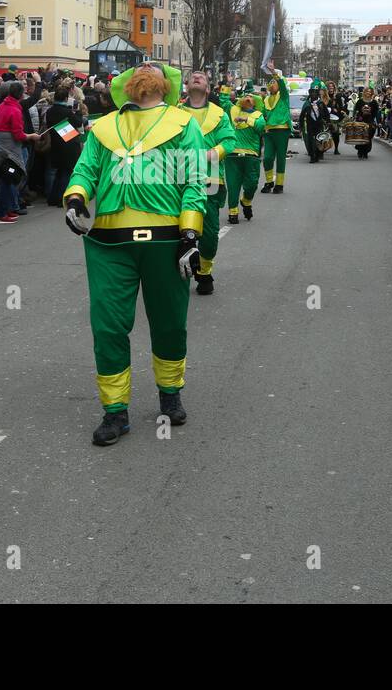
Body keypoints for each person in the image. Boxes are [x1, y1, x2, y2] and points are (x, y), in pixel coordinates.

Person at [62, 63, 207, 446]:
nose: (145, 68)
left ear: (166, 84)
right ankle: (115, 411)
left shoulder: (183, 124)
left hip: (164, 240)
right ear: (124, 85)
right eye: (138, 66)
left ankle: (170, 393)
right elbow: (86, 168)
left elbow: (194, 182)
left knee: (169, 323)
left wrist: (190, 234)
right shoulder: (105, 127)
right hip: (110, 244)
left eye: (153, 67)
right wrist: (75, 197)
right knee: (108, 326)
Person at [179, 69, 235, 296]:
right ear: (186, 85)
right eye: (193, 76)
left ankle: (204, 270)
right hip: (180, 176)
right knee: (177, 226)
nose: (197, 76)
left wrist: (212, 154)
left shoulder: (219, 114)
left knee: (209, 233)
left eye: (202, 77)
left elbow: (230, 140)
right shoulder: (176, 112)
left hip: (211, 177)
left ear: (208, 88)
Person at [0, 81, 39, 224]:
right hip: (8, 150)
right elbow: (19, 135)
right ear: (21, 95)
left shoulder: (2, 106)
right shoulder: (15, 110)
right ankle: (1, 213)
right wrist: (32, 136)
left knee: (5, 179)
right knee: (8, 179)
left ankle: (7, 208)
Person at [226, 89, 266, 224]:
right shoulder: (233, 111)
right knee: (233, 185)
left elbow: (261, 128)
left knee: (252, 184)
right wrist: (226, 83)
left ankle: (246, 200)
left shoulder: (258, 115)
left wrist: (246, 119)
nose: (247, 98)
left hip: (251, 155)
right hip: (232, 154)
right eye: (245, 96)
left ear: (256, 102)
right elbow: (223, 101)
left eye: (250, 97)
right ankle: (233, 212)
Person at [260, 69, 291, 193]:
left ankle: (279, 184)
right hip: (268, 131)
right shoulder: (266, 99)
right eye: (270, 82)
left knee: (281, 157)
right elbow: (262, 114)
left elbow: (283, 86)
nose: (271, 84)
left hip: (282, 130)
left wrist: (274, 72)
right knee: (267, 158)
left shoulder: (283, 96)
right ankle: (269, 181)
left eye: (274, 82)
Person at [353, 87, 380, 159]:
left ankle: (365, 152)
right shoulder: (360, 101)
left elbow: (376, 113)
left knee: (368, 136)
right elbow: (355, 110)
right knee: (360, 136)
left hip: (370, 121)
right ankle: (360, 151)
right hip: (360, 120)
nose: (368, 93)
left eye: (370, 92)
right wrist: (355, 117)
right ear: (364, 92)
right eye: (367, 91)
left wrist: (378, 122)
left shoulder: (374, 102)